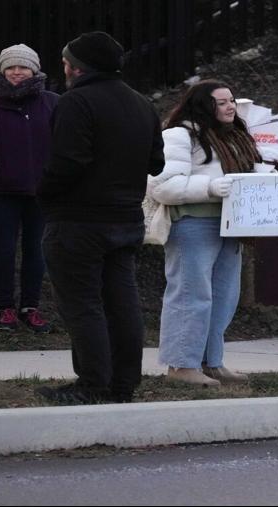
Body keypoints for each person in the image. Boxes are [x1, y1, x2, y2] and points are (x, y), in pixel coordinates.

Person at [36, 31, 165, 405]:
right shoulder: (141, 103)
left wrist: (42, 192)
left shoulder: (76, 102)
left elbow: (67, 163)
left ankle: (92, 383)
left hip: (78, 220)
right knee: (122, 303)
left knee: (83, 304)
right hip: (125, 218)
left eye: (65, 62)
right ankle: (123, 383)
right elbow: (156, 162)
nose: (63, 68)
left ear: (78, 67)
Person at [149, 81, 276, 386]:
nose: (230, 106)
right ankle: (181, 365)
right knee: (191, 295)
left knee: (223, 297)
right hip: (193, 223)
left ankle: (210, 362)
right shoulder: (179, 135)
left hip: (232, 223)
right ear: (202, 105)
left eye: (231, 100)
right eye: (221, 102)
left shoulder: (234, 137)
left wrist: (261, 176)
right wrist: (209, 188)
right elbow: (162, 186)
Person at [0, 43, 59, 335]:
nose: (17, 72)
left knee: (36, 251)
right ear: (2, 70)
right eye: (11, 67)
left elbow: (66, 139)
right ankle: (4, 308)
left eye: (23, 66)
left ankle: (30, 307)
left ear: (35, 69)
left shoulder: (53, 102)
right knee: (3, 250)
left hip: (40, 191)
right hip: (0, 191)